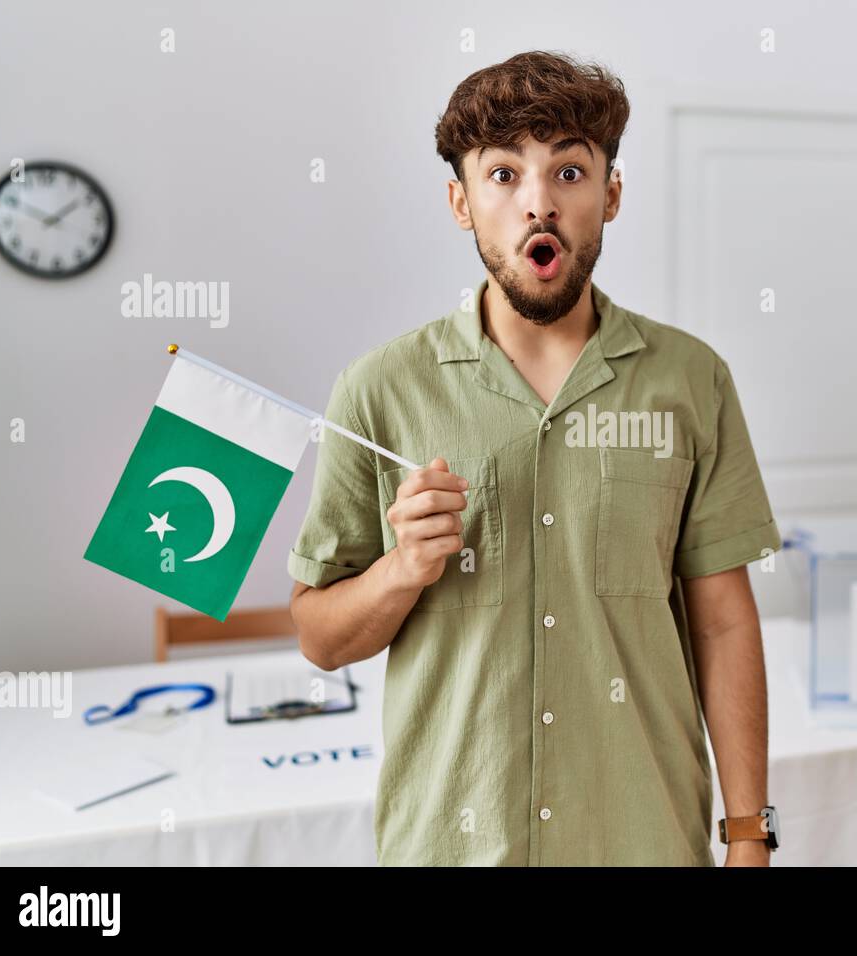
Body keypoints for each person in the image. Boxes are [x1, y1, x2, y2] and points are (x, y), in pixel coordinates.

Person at [288, 50, 781, 866]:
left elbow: (724, 622)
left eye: (570, 172)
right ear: (461, 202)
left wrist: (748, 834)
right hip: (449, 845)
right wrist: (400, 570)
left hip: (644, 838)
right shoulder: (379, 390)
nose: (539, 204)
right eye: (504, 175)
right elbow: (320, 638)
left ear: (610, 195)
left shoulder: (692, 381)